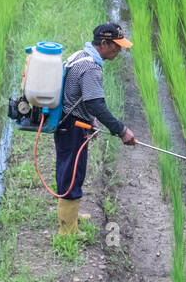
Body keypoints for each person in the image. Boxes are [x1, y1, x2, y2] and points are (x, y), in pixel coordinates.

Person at [54, 22, 136, 235]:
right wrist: (121, 130)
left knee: (74, 169)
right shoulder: (90, 67)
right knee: (71, 172)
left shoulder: (81, 55)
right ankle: (67, 229)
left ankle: (71, 216)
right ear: (105, 43)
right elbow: (95, 104)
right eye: (116, 46)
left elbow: (79, 97)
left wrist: (91, 122)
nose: (119, 50)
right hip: (70, 126)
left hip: (72, 122)